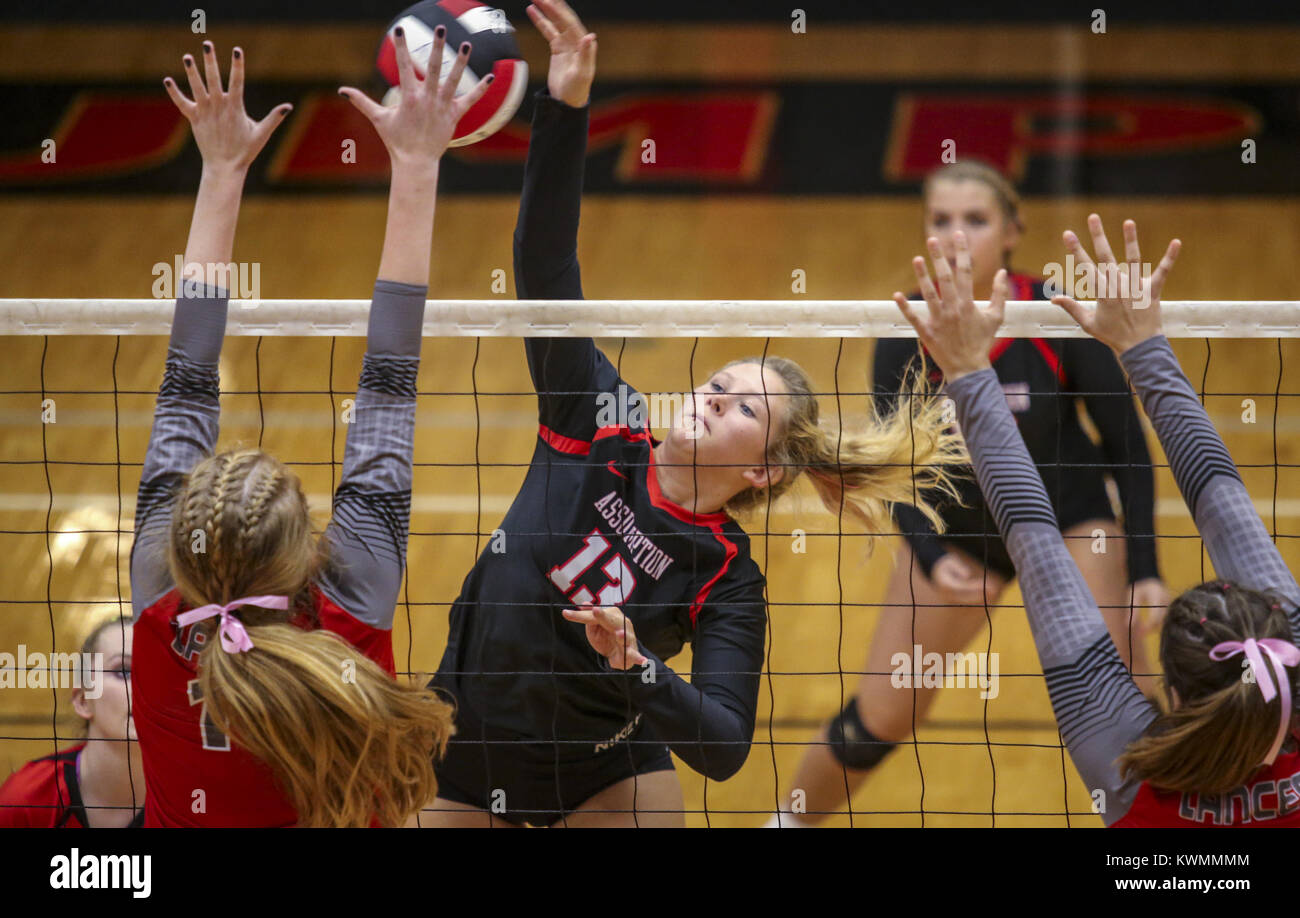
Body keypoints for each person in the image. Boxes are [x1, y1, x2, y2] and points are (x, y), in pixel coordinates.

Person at [417, 0, 966, 828]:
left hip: (603, 776)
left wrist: (637, 663)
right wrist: (564, 107)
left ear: (763, 470)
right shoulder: (601, 419)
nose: (712, 399)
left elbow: (723, 746)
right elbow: (543, 265)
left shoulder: (726, 577)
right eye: (718, 384)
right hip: (466, 746)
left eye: (744, 406)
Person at [128, 34, 488, 826]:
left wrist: (220, 171)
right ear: (302, 545)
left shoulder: (163, 600)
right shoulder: (343, 599)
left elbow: (190, 384)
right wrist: (418, 167)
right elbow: (384, 378)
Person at [775, 161, 1166, 825]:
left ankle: (1195, 830)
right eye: (941, 220)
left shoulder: (1055, 315)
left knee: (1131, 700)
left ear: (1012, 231)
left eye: (976, 220)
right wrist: (928, 554)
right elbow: (891, 467)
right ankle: (786, 820)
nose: (957, 235)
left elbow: (1128, 444)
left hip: (1070, 524)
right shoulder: (905, 331)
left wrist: (1148, 572)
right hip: (959, 534)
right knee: (879, 716)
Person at [896, 216, 1300, 826]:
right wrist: (974, 375)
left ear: (1175, 691)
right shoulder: (1112, 756)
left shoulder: (1126, 763)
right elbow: (1040, 544)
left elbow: (1039, 547)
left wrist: (962, 370)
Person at [0, 618, 144, 827]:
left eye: (156, 671)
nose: (145, 686)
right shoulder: (25, 800)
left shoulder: (192, 797)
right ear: (84, 701)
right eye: (123, 671)